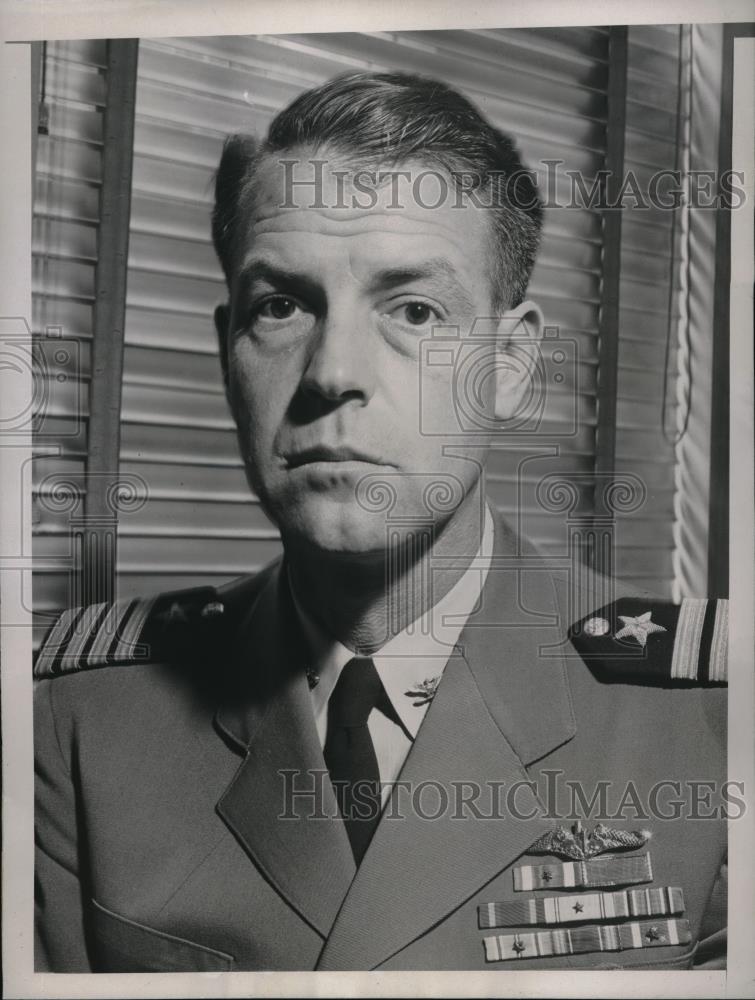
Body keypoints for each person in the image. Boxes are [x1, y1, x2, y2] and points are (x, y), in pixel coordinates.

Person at [34, 71, 729, 972]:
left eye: (413, 310)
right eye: (280, 306)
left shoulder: (705, 721)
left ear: (510, 366)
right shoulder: (78, 719)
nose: (331, 372)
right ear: (226, 350)